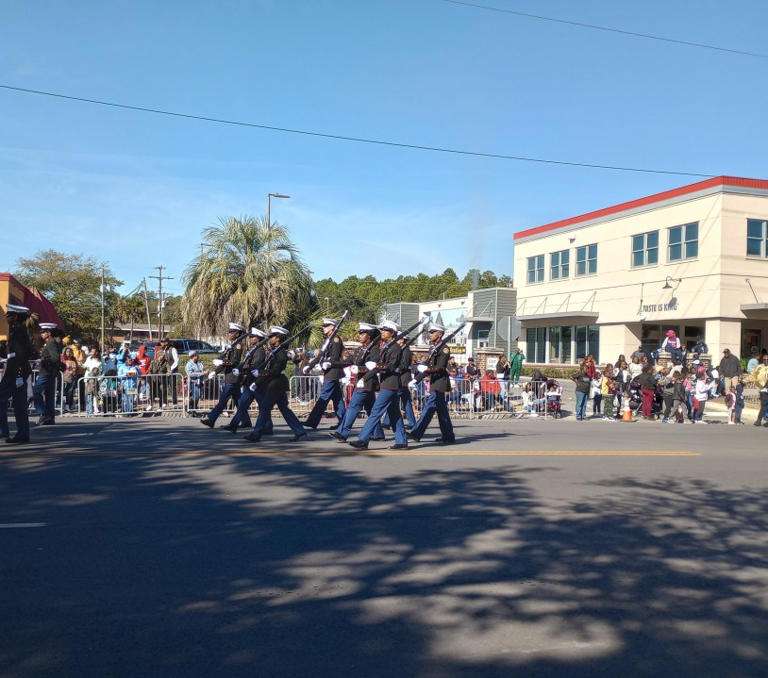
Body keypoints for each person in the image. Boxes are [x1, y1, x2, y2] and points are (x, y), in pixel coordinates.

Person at [349, 320, 408, 450]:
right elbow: (377, 367)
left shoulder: (395, 348)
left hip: (390, 384)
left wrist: (377, 366)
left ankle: (363, 439)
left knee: (376, 412)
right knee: (394, 414)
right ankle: (402, 440)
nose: (382, 332)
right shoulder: (386, 347)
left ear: (392, 333)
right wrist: (364, 378)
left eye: (385, 330)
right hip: (387, 383)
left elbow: (392, 366)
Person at [244, 326, 307, 442]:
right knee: (284, 409)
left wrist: (260, 374)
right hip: (276, 384)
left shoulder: (281, 353)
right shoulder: (276, 351)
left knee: (264, 408)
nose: (270, 339)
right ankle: (300, 431)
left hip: (276, 384)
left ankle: (256, 434)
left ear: (278, 338)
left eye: (272, 337)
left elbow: (276, 370)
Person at [330, 323, 385, 442]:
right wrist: (332, 364)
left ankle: (342, 432)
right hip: (360, 382)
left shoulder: (375, 350)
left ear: (369, 336)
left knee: (353, 407)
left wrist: (360, 370)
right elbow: (349, 362)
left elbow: (373, 367)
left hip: (367, 382)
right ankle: (378, 434)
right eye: (359, 333)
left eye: (362, 333)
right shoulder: (360, 349)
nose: (359, 335)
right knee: (371, 410)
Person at [407, 323, 456, 444]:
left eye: (433, 332)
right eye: (430, 332)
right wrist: (416, 379)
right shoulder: (432, 348)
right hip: (434, 381)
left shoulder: (444, 348)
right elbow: (428, 366)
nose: (430, 334)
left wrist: (427, 370)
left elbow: (440, 367)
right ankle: (448, 436)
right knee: (442, 411)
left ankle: (416, 433)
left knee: (429, 407)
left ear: (440, 334)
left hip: (440, 382)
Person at [304, 318, 346, 430]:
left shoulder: (336, 340)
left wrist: (325, 364)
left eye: (326, 325)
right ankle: (344, 422)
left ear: (332, 327)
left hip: (333, 372)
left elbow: (335, 358)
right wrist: (310, 365)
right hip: (329, 372)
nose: (323, 328)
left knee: (323, 397)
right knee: (338, 400)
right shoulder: (328, 340)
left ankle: (312, 421)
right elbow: (320, 355)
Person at [0, 304, 34, 443]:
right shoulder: (17, 330)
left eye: (9, 316)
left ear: (15, 317)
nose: (6, 318)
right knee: (20, 405)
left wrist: (19, 375)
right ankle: (22, 433)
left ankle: (3, 432)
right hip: (16, 371)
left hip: (15, 373)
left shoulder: (18, 331)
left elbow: (20, 355)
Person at [201, 323, 246, 428]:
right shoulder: (233, 345)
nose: (229, 334)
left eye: (232, 332)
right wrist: (215, 371)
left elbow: (234, 362)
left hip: (232, 377)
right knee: (239, 401)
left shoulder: (238, 345)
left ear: (237, 333)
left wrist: (222, 363)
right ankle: (246, 421)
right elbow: (226, 360)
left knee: (222, 401)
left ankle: (211, 419)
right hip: (230, 377)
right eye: (229, 332)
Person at [220, 328, 264, 433]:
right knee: (243, 405)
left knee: (263, 406)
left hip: (256, 382)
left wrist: (242, 369)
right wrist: (239, 369)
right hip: (249, 382)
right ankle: (234, 425)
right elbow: (246, 363)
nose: (250, 339)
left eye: (252, 337)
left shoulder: (260, 351)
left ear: (258, 339)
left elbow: (255, 365)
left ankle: (266, 427)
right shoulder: (254, 349)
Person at [33, 322, 61, 425]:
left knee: (36, 391)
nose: (41, 334)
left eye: (43, 332)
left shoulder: (50, 342)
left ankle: (43, 413)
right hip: (49, 371)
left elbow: (55, 358)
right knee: (49, 395)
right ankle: (50, 417)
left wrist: (42, 361)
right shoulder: (50, 342)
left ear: (49, 332)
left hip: (46, 371)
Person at [83, 347, 102, 415]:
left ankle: (96, 408)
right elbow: (85, 365)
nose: (92, 353)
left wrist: (101, 377)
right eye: (91, 351)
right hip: (88, 378)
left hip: (97, 379)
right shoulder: (89, 358)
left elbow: (103, 369)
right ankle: (89, 409)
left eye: (94, 351)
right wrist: (82, 365)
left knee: (95, 394)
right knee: (88, 393)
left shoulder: (101, 359)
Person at [61, 347, 79, 413]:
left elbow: (76, 366)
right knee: (65, 390)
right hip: (65, 375)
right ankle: (63, 405)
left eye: (70, 351)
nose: (69, 352)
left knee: (71, 391)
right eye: (67, 351)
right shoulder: (62, 358)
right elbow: (62, 366)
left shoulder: (73, 359)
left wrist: (74, 370)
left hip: (73, 376)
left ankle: (69, 405)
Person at [752, 354, 768, 426]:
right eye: (764, 359)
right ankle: (759, 420)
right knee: (764, 406)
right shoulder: (760, 367)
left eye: (767, 360)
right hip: (764, 390)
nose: (766, 361)